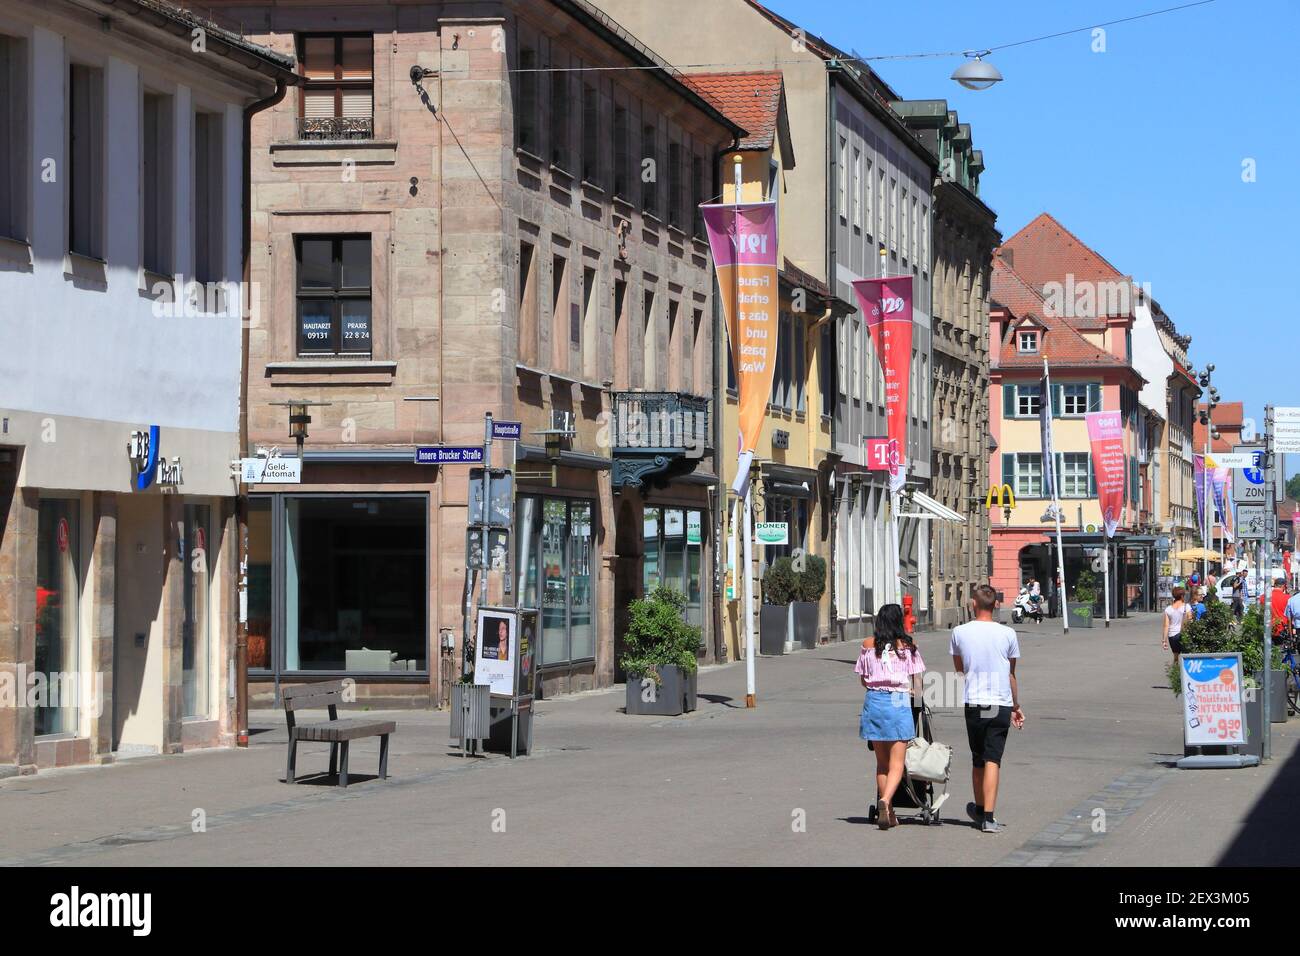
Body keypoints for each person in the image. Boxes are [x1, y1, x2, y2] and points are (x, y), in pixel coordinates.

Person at [950, 584, 1024, 834]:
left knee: (978, 758)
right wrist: (1016, 706)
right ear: (996, 606)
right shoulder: (1008, 634)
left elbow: (960, 670)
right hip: (1001, 702)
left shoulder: (959, 632)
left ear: (973, 604)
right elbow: (1011, 673)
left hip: (974, 701)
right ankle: (989, 818)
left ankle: (980, 808)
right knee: (994, 758)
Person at [855, 603, 926, 831]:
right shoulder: (908, 646)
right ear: (898, 622)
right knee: (898, 763)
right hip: (898, 701)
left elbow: (864, 679)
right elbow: (917, 681)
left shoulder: (867, 645)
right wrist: (916, 696)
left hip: (874, 701)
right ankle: (885, 800)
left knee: (882, 763)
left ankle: (890, 812)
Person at [1163, 586, 1192, 658]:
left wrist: (1164, 640)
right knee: (1185, 657)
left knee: (1176, 657)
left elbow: (1166, 626)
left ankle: (1175, 668)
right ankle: (1182, 669)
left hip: (1172, 636)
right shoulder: (1186, 606)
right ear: (1182, 596)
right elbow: (1190, 619)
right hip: (1183, 634)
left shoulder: (1168, 609)